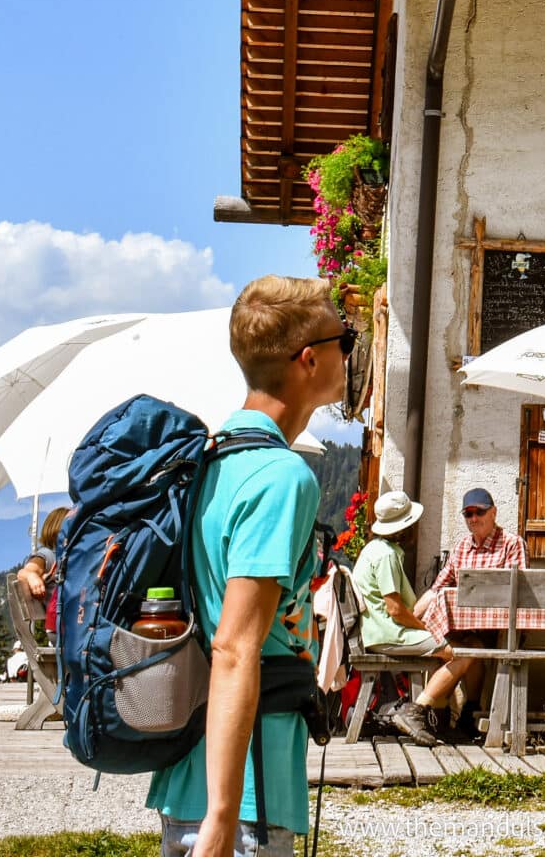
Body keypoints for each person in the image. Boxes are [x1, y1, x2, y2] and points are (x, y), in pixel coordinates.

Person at [147, 275, 350, 857]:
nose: (350, 352)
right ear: (309, 359)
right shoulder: (281, 478)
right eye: (347, 341)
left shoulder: (210, 459)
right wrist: (222, 816)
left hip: (192, 767)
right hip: (243, 796)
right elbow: (237, 647)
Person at [353, 489, 478, 747]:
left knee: (453, 649)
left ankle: (437, 717)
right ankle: (416, 712)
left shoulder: (373, 549)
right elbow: (395, 609)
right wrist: (425, 629)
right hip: (388, 633)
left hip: (376, 630)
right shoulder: (387, 555)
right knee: (462, 653)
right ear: (403, 527)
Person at [413, 486, 528, 738]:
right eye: (468, 514)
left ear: (494, 512)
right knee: (460, 645)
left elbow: (515, 592)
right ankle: (458, 713)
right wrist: (411, 619)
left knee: (470, 646)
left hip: (499, 627)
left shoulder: (511, 544)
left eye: (479, 512)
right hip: (466, 628)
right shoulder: (462, 547)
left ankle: (426, 711)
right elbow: (437, 589)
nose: (474, 518)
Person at [16, 506, 71, 640]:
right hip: (61, 628)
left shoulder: (69, 556)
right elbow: (24, 572)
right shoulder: (49, 554)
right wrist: (32, 576)